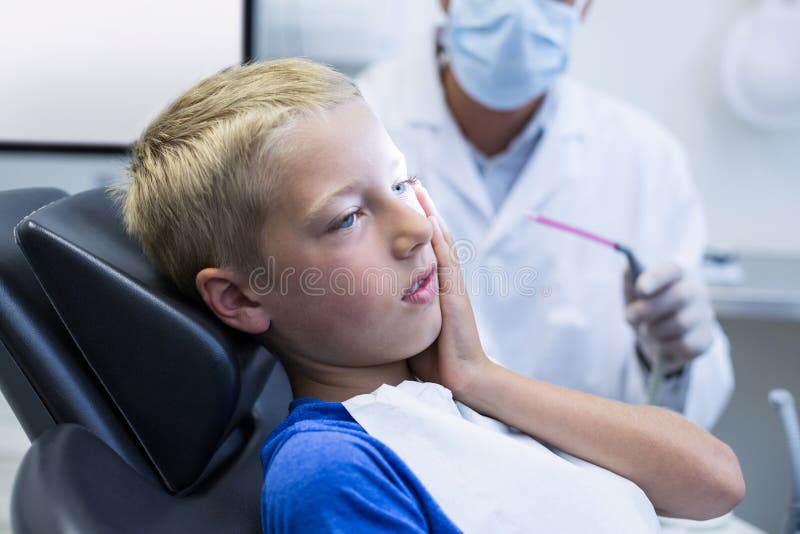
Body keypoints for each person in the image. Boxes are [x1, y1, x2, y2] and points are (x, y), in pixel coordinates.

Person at [115, 59, 744, 532]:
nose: (416, 228)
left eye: (401, 181)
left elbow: (715, 482)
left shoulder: (452, 396)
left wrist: (481, 377)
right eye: (347, 219)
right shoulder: (331, 472)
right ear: (242, 298)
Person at [357, 0, 733, 429]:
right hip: (404, 475)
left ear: (586, 6)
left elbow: (683, 424)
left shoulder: (646, 160)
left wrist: (669, 357)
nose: (519, 9)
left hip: (592, 479)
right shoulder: (351, 130)